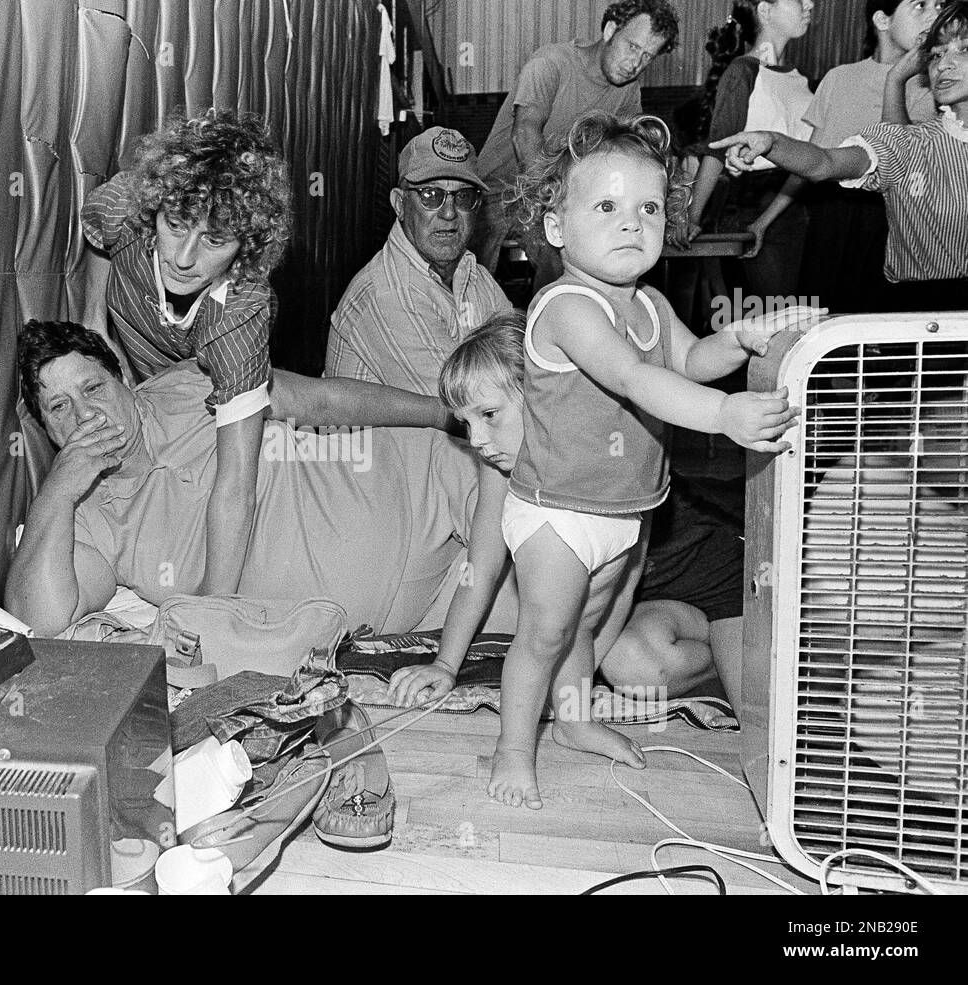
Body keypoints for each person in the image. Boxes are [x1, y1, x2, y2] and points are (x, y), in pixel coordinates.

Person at [459, 113, 805, 809]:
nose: (631, 223)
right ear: (557, 228)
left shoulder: (648, 302)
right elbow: (635, 379)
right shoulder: (564, 305)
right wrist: (725, 417)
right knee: (546, 629)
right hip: (556, 511)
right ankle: (512, 748)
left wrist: (736, 339)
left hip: (625, 511)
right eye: (607, 206)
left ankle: (576, 721)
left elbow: (688, 360)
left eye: (648, 207)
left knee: (585, 627)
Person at [4, 320, 519, 640]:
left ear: (122, 381)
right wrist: (58, 490)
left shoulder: (189, 384)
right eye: (59, 407)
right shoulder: (87, 517)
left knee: (559, 562)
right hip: (422, 616)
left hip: (425, 485)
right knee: (551, 628)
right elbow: (43, 620)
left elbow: (319, 400)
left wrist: (441, 414)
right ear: (46, 429)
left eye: (93, 387)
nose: (85, 414)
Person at [387, 312, 751, 717]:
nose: (476, 440)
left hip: (721, 583)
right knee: (633, 668)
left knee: (762, 724)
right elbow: (480, 568)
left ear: (544, 393)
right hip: (653, 602)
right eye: (465, 422)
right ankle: (719, 666)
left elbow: (622, 582)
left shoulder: (616, 454)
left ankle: (752, 643)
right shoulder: (497, 464)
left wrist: (570, 689)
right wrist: (445, 664)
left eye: (488, 415)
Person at [79, 110, 290, 599]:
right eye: (175, 225)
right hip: (149, 374)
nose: (184, 257)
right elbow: (97, 235)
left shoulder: (241, 314)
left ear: (247, 247)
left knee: (308, 404)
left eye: (215, 240)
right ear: (154, 209)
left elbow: (237, 486)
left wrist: (213, 613)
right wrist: (95, 321)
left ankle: (436, 411)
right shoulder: (122, 208)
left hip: (205, 382)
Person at [712, 0, 968, 309]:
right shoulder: (918, 139)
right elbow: (825, 161)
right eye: (937, 54)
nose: (943, 64)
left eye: (962, 49)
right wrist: (772, 143)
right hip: (914, 304)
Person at [470, 0, 681, 278]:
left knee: (584, 252)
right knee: (479, 271)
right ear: (609, 30)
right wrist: (554, 198)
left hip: (562, 197)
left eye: (647, 57)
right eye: (632, 47)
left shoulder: (629, 91)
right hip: (498, 192)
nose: (635, 64)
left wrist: (673, 208)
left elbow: (631, 158)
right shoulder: (550, 63)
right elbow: (524, 134)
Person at [322, 127, 509, 395]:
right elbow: (467, 403)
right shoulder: (391, 292)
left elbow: (517, 360)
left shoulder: (473, 273)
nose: (448, 213)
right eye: (430, 195)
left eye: (464, 196)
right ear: (399, 204)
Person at [687, 0, 817, 299]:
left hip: (799, 208)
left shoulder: (800, 79)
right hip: (754, 211)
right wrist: (693, 218)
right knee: (773, 320)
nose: (809, 4)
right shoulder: (743, 70)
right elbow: (718, 149)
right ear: (765, 10)